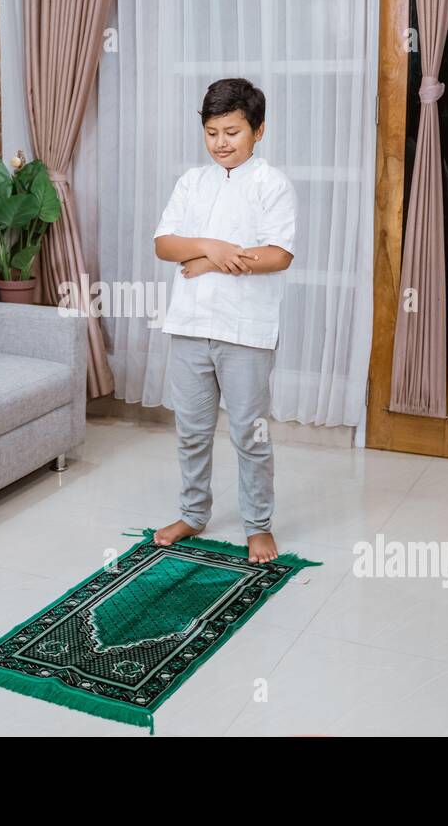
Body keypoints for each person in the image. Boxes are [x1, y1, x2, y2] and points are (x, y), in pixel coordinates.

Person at [151, 78, 296, 563]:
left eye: (232, 132)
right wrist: (210, 246)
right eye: (212, 132)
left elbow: (278, 255)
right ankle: (193, 513)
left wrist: (210, 260)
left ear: (259, 130)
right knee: (191, 431)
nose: (221, 143)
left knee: (249, 433)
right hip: (190, 327)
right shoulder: (191, 182)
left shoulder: (271, 183)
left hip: (246, 332)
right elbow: (164, 244)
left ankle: (258, 525)